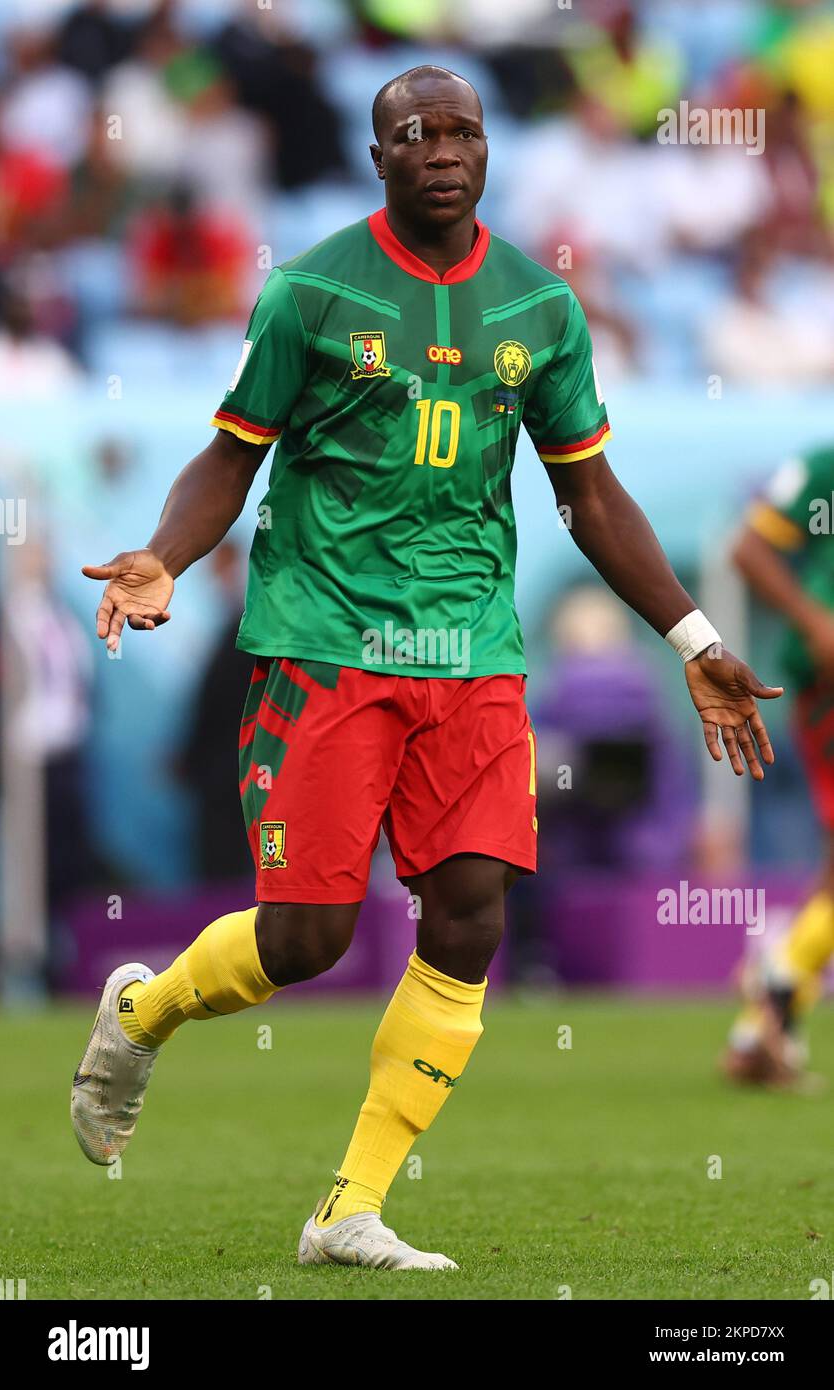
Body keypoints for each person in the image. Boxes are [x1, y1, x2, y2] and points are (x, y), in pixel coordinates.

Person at [72, 66, 781, 1271]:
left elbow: (589, 497)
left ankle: (347, 1205)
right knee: (306, 940)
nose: (442, 150)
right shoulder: (307, 295)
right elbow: (229, 459)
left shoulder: (539, 310)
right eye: (416, 133)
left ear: (487, 150)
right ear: (378, 155)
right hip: (325, 644)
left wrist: (695, 639)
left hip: (470, 653)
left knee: (468, 915)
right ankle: (144, 1011)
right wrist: (164, 556)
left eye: (462, 131)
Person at [724, 446, 834, 1086]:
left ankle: (763, 1018)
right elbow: (748, 548)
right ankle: (778, 990)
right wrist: (815, 622)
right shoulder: (822, 470)